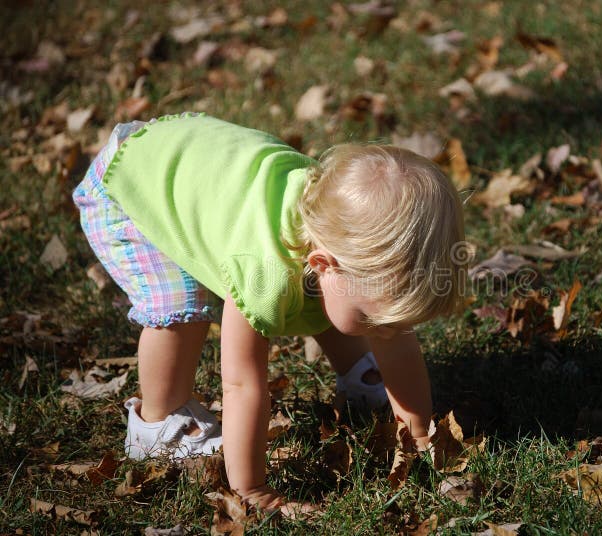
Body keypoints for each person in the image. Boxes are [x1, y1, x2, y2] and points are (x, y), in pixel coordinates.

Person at [71, 112, 468, 511]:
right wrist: (252, 489)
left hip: (190, 163)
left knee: (333, 303)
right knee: (181, 308)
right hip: (131, 185)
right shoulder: (264, 273)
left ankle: (356, 372)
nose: (388, 332)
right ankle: (158, 423)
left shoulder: (337, 234)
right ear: (322, 264)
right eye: (375, 322)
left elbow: (397, 343)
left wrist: (418, 437)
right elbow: (243, 385)